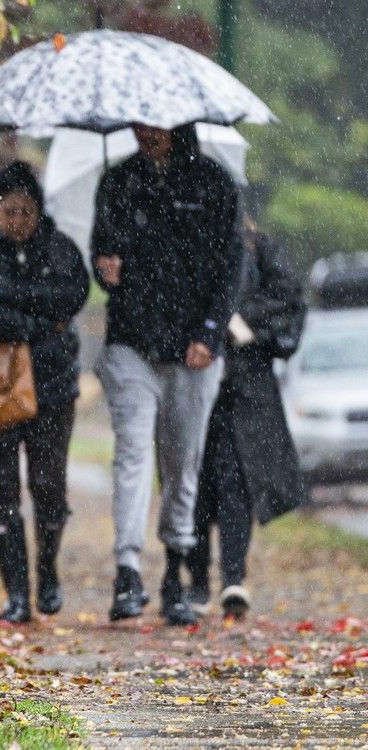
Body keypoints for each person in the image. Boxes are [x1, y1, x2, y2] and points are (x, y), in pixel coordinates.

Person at [91, 123, 244, 626]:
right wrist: (104, 265)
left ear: (178, 126)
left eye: (155, 125)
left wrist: (210, 332)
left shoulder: (214, 185)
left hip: (192, 350)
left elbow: (231, 269)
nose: (145, 133)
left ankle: (176, 569)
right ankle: (128, 568)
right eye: (138, 124)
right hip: (132, 343)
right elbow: (103, 251)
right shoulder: (118, 180)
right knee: (132, 453)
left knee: (182, 465)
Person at [0, 161, 89, 623]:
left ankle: (47, 569)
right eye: (9, 211)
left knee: (49, 484)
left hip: (52, 386)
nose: (18, 221)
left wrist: (8, 294)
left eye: (27, 212)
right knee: (2, 490)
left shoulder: (60, 248)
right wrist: (30, 324)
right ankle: (16, 593)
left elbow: (73, 294)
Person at [185, 223, 308, 619]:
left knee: (235, 480)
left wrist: (241, 322)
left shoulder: (257, 247)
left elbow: (288, 296)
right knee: (195, 483)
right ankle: (198, 579)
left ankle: (232, 577)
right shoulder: (188, 240)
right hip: (193, 380)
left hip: (245, 389)